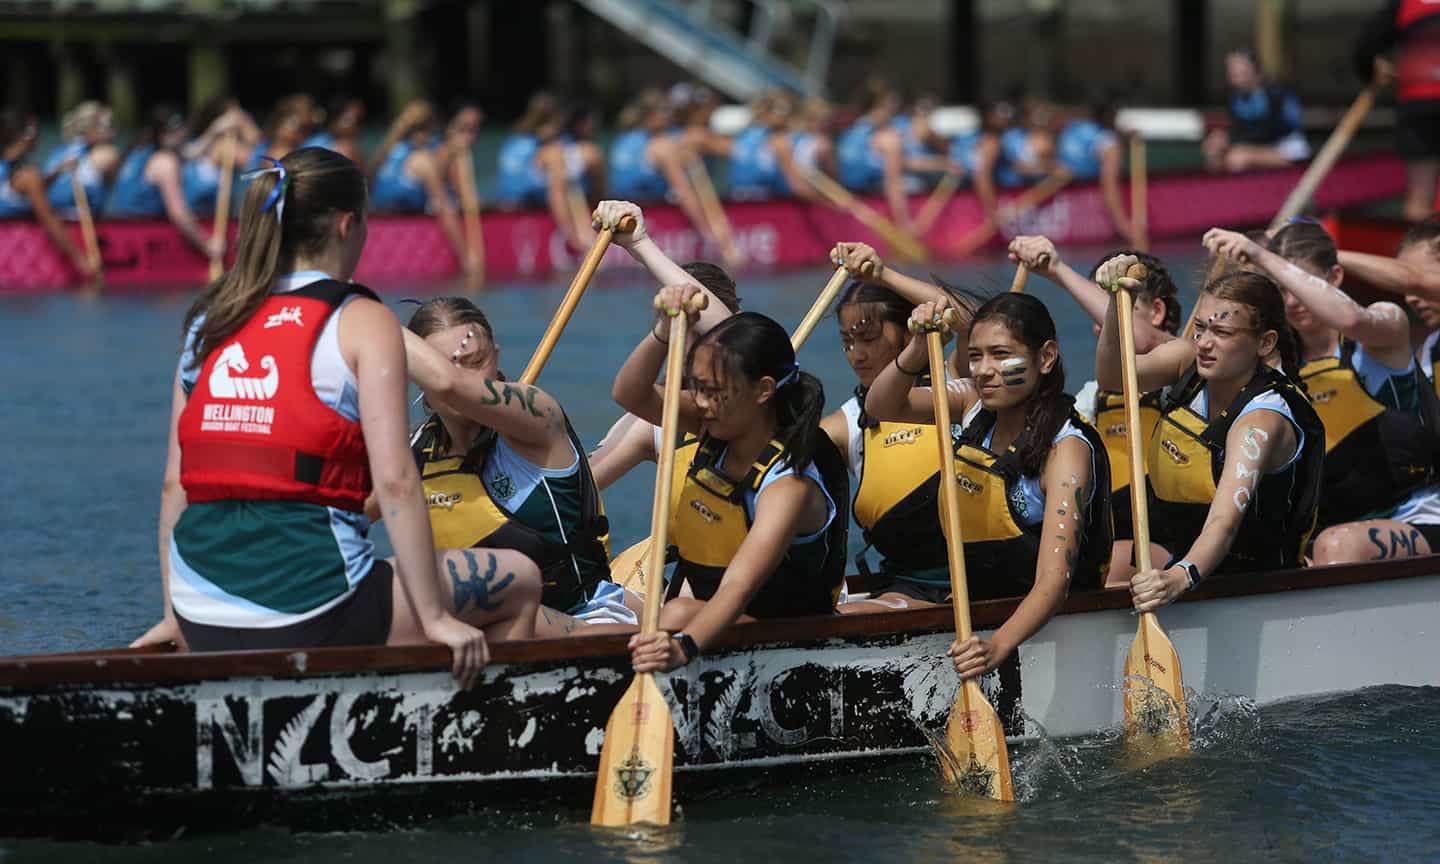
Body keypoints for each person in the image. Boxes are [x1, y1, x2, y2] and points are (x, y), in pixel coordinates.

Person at [132, 147, 540, 687]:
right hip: (314, 612)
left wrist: (174, 616)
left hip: (196, 609)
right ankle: (481, 738)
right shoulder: (361, 319)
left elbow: (172, 487)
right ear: (349, 225)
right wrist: (436, 618)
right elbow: (396, 483)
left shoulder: (209, 319)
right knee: (523, 579)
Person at [861, 292, 1111, 678]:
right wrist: (916, 349)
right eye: (975, 356)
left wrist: (998, 646)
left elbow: (1053, 581)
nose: (983, 370)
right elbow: (880, 407)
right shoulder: (970, 404)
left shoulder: (1066, 450)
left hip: (1044, 624)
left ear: (1045, 357)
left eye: (1000, 354)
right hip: (976, 611)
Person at [616, 292, 849, 673]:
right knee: (667, 612)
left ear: (764, 390)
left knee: (674, 613)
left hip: (790, 643)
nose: (702, 402)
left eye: (715, 391)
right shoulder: (716, 426)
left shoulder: (787, 487)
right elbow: (628, 393)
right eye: (697, 387)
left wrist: (683, 649)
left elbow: (738, 587)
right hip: (722, 619)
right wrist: (663, 330)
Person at [1095, 259, 1324, 612]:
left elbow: (1223, 523)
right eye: (1200, 328)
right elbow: (1114, 377)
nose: (1204, 343)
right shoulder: (1188, 363)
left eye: (1223, 333)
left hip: (1262, 587)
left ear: (1265, 343)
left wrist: (1178, 577)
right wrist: (1115, 303)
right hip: (1193, 564)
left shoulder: (1261, 420)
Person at [1205, 222, 1440, 562]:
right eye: (1281, 290)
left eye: (1299, 283)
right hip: (1328, 524)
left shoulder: (1384, 327)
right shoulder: (1278, 365)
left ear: (1334, 278)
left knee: (1337, 546)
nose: (1292, 300)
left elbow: (1349, 318)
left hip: (1413, 513)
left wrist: (1262, 255)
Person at [401, 296, 635, 636]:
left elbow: (451, 386)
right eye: (443, 366)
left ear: (495, 357)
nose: (464, 378)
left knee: (504, 612)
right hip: (471, 631)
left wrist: (360, 313)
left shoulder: (539, 414)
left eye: (475, 361)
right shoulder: (413, 452)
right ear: (418, 378)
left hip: (588, 623)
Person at [814, 243, 978, 611]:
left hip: (984, 580)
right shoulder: (845, 424)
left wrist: (881, 274)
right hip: (909, 587)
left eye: (868, 338)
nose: (856, 354)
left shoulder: (959, 379)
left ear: (908, 331)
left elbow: (975, 320)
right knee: (843, 615)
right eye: (847, 342)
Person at [1007, 236, 1179, 581]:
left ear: (1157, 312)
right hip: (1109, 536)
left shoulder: (1188, 375)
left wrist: (1056, 269)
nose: (1100, 324)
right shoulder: (1092, 397)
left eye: (1110, 305)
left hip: (1169, 540)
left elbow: (1139, 339)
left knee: (1112, 559)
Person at [588, 203, 741, 491]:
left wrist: (640, 245)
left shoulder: (762, 398)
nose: (688, 348)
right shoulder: (651, 419)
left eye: (697, 329)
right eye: (680, 330)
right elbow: (575, 492)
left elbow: (726, 332)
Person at [370, 100, 479, 277]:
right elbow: (444, 206)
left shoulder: (387, 152)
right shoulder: (423, 160)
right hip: (406, 239)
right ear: (432, 127)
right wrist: (467, 258)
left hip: (378, 236)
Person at [1354, 1, 1440, 222]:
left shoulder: (1404, 5)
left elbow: (1366, 45)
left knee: (1419, 201)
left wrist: (1373, 66)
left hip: (1417, 104)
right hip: (1419, 104)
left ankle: (1419, 254)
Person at [608, 90, 723, 253]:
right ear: (651, 115)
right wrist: (711, 234)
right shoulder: (661, 147)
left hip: (622, 216)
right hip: (648, 220)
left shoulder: (622, 140)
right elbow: (684, 192)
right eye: (666, 112)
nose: (670, 116)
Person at [106, 105, 225, 259]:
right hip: (145, 241)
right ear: (164, 136)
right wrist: (208, 245)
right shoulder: (166, 163)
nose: (185, 134)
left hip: (123, 232)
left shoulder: (143, 149)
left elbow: (191, 152)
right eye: (180, 131)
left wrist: (215, 131)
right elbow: (178, 212)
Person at [1337, 215, 1440, 393]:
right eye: (1402, 288)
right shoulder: (1429, 350)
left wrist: (1324, 253)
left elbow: (1414, 280)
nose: (1410, 298)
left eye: (1410, 278)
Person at [0, 110, 95, 277]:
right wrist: (80, 259)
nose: (39, 137)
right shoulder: (29, 176)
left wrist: (57, 171)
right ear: (27, 136)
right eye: (37, 131)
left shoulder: (11, 170)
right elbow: (49, 220)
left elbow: (22, 189)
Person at [1203, 49, 1310, 173]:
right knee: (1215, 150)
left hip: (1288, 149)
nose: (1232, 72)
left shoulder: (1276, 93)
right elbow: (1239, 128)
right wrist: (1223, 139)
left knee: (1238, 157)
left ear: (1255, 69)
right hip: (1257, 145)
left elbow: (1278, 128)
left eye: (1237, 66)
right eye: (1230, 68)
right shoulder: (1235, 98)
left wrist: (1232, 139)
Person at [1056, 100, 1139, 246]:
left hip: (1065, 206)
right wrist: (1123, 225)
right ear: (1111, 116)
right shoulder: (1108, 142)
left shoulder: (1071, 129)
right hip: (1090, 216)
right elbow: (1109, 184)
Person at [836, 79, 913, 233]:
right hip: (876, 204)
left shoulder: (851, 130)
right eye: (893, 101)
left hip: (850, 199)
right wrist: (904, 224)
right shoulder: (888, 138)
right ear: (885, 103)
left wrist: (937, 163)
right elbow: (893, 183)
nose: (896, 107)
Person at [727, 91, 819, 203]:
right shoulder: (779, 142)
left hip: (740, 200)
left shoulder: (747, 135)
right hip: (764, 203)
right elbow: (798, 187)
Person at [42, 100, 119, 218]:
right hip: (81, 221)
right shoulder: (106, 154)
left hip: (54, 216)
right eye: (106, 127)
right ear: (89, 129)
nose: (113, 132)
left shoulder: (57, 152)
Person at [304, 95, 368, 172]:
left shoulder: (353, 146)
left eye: (361, 120)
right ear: (336, 119)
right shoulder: (315, 144)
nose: (358, 126)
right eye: (355, 119)